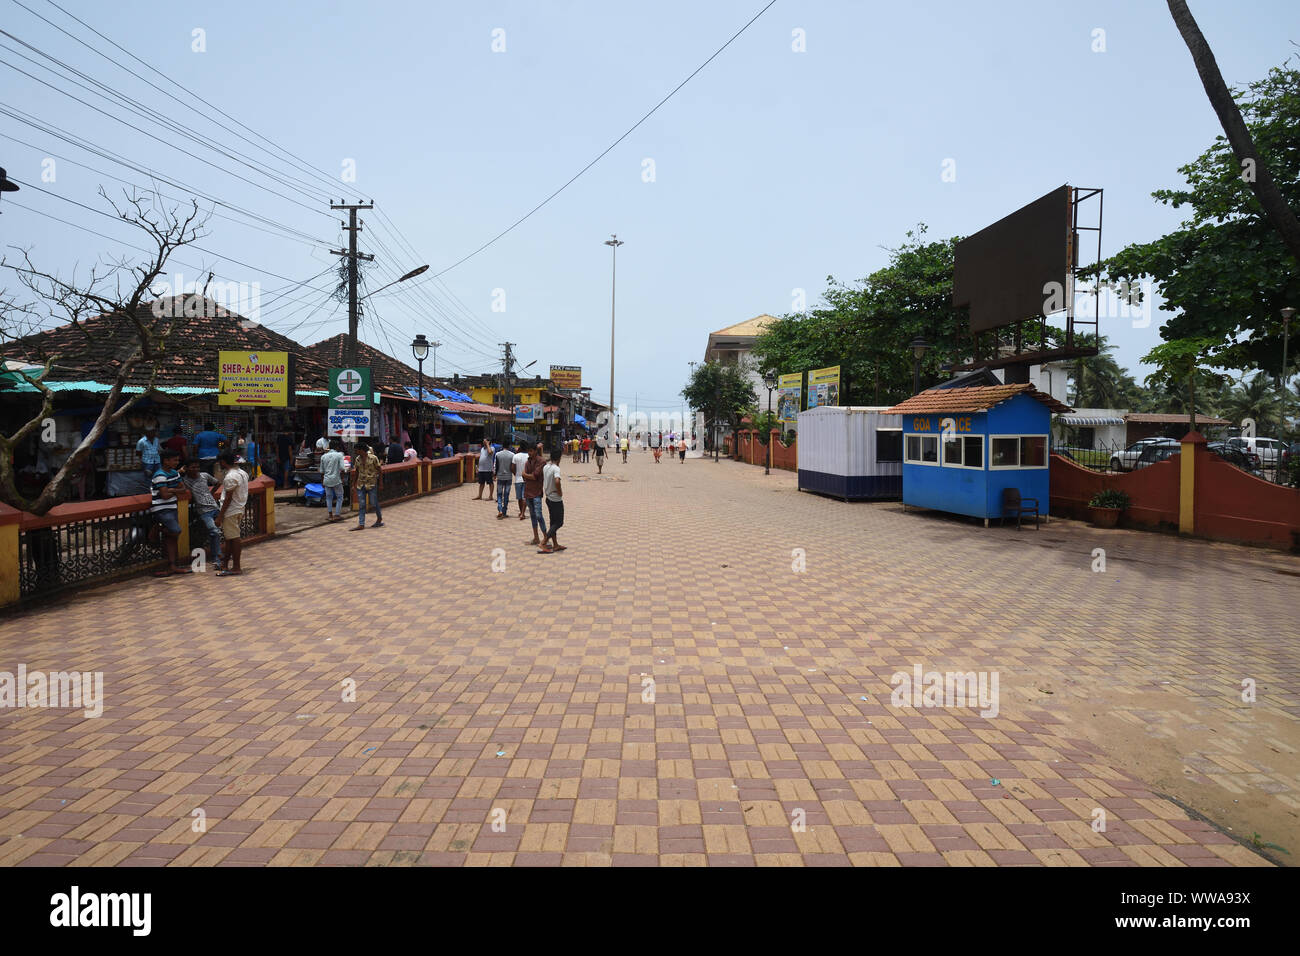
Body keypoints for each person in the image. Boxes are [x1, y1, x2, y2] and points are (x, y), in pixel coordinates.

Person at [150, 448, 191, 577]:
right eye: (174, 460)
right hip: (161, 509)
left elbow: (183, 489)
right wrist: (174, 490)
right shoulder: (159, 475)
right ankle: (157, 529)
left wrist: (171, 490)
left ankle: (172, 565)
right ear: (166, 461)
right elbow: (164, 495)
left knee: (172, 537)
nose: (177, 462)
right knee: (176, 530)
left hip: (172, 507)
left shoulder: (174, 473)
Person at [181, 457, 222, 566]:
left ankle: (221, 555)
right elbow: (173, 479)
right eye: (193, 467)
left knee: (221, 531)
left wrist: (211, 493)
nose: (196, 469)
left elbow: (217, 483)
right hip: (203, 511)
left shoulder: (204, 475)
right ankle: (216, 557)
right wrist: (180, 471)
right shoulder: (185, 480)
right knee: (214, 531)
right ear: (186, 468)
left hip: (215, 507)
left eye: (197, 467)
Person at [214, 451, 248, 575]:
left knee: (234, 538)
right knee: (230, 538)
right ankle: (225, 564)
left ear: (223, 462)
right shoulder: (242, 473)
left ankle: (236, 567)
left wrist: (220, 516)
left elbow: (228, 498)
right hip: (239, 508)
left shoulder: (230, 476)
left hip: (231, 511)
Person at [349, 440, 384, 530]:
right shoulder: (357, 459)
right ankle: (361, 524)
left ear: (361, 450)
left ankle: (379, 518)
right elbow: (356, 472)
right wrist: (353, 484)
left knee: (373, 502)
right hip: (361, 484)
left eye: (356, 450)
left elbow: (379, 470)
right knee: (362, 504)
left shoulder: (373, 458)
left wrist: (380, 483)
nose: (355, 452)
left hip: (372, 483)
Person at [523, 442, 548, 548]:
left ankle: (546, 537)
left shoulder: (541, 461)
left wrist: (525, 475)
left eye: (531, 451)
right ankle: (536, 537)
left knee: (539, 515)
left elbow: (535, 476)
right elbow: (525, 476)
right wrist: (526, 475)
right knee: (533, 516)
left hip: (537, 492)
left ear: (535, 451)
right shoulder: (527, 461)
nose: (529, 453)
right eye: (528, 451)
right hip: (528, 491)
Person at [540, 447, 565, 553]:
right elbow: (557, 481)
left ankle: (555, 545)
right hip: (555, 499)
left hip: (548, 497)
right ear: (559, 458)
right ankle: (544, 542)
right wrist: (560, 492)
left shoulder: (546, 467)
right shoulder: (556, 468)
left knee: (553, 522)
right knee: (559, 522)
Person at [320, 439, 347, 522]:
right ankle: (337, 514)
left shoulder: (323, 456)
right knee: (340, 497)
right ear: (337, 447)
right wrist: (342, 477)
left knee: (329, 497)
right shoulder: (339, 455)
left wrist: (322, 481)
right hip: (336, 479)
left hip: (327, 479)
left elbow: (321, 471)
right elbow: (342, 468)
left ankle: (330, 515)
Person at [494, 441, 515, 519]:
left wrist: (494, 475)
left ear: (502, 446)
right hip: (508, 476)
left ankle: (500, 509)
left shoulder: (498, 454)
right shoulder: (512, 455)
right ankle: (504, 511)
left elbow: (495, 465)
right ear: (509, 446)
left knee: (499, 494)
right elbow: (513, 466)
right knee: (506, 494)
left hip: (500, 476)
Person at [511, 439, 528, 520]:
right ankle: (523, 513)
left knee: (519, 498)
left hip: (518, 479)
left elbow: (512, 468)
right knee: (525, 497)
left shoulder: (515, 456)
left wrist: (516, 474)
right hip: (527, 479)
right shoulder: (529, 456)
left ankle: (521, 512)